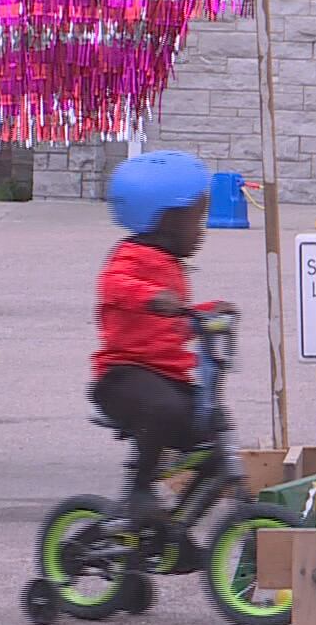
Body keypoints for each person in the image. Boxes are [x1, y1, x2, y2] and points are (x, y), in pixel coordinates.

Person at [89, 150, 234, 566]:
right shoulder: (130, 257)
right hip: (123, 376)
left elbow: (176, 322)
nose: (201, 230)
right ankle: (139, 491)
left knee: (211, 436)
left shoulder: (170, 263)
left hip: (166, 375)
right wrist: (154, 297)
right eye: (195, 219)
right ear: (162, 220)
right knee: (163, 408)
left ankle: (172, 531)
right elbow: (113, 285)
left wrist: (205, 314)